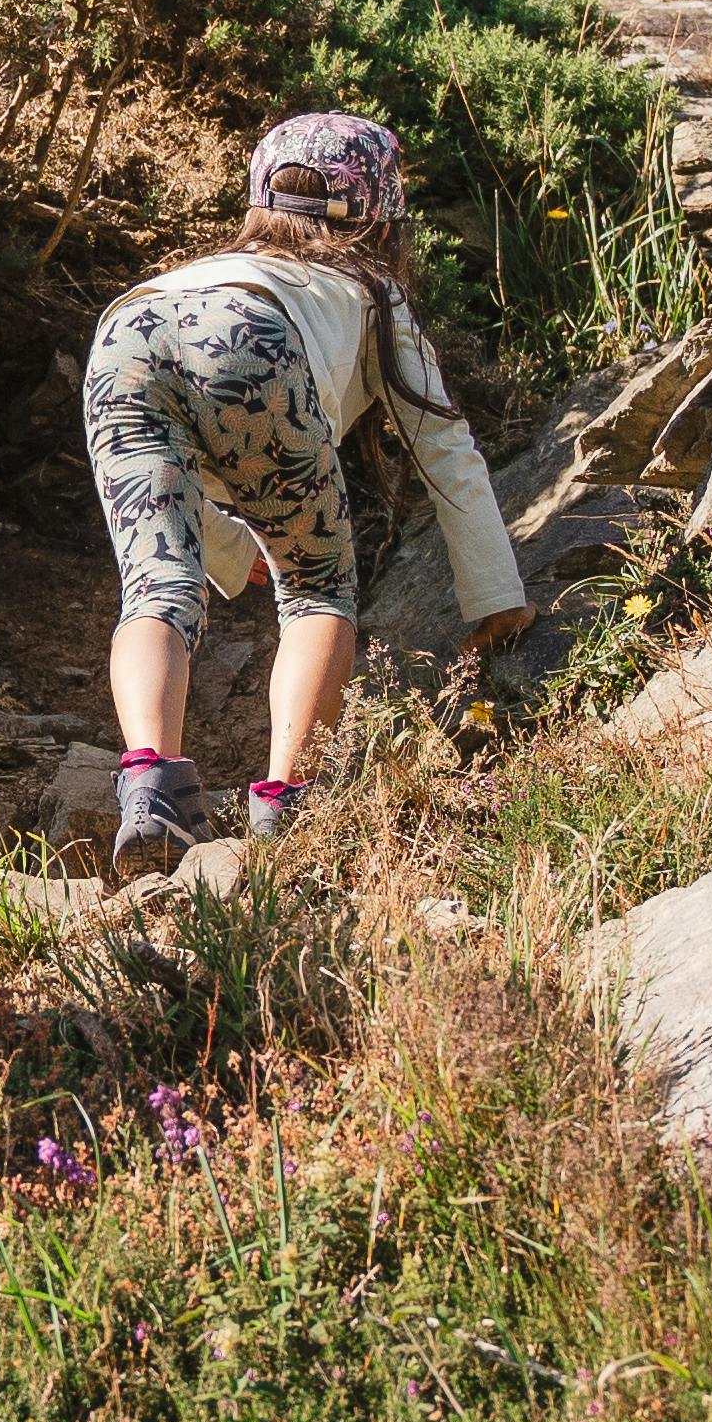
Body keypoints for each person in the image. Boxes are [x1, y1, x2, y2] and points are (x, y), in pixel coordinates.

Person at [79, 111, 523, 877]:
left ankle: (151, 782)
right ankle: (287, 805)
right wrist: (496, 595)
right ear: (382, 214)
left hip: (127, 327)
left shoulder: (204, 268)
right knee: (317, 590)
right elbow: (447, 450)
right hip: (256, 335)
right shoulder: (370, 288)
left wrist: (227, 546)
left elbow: (178, 469)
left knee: (155, 586)